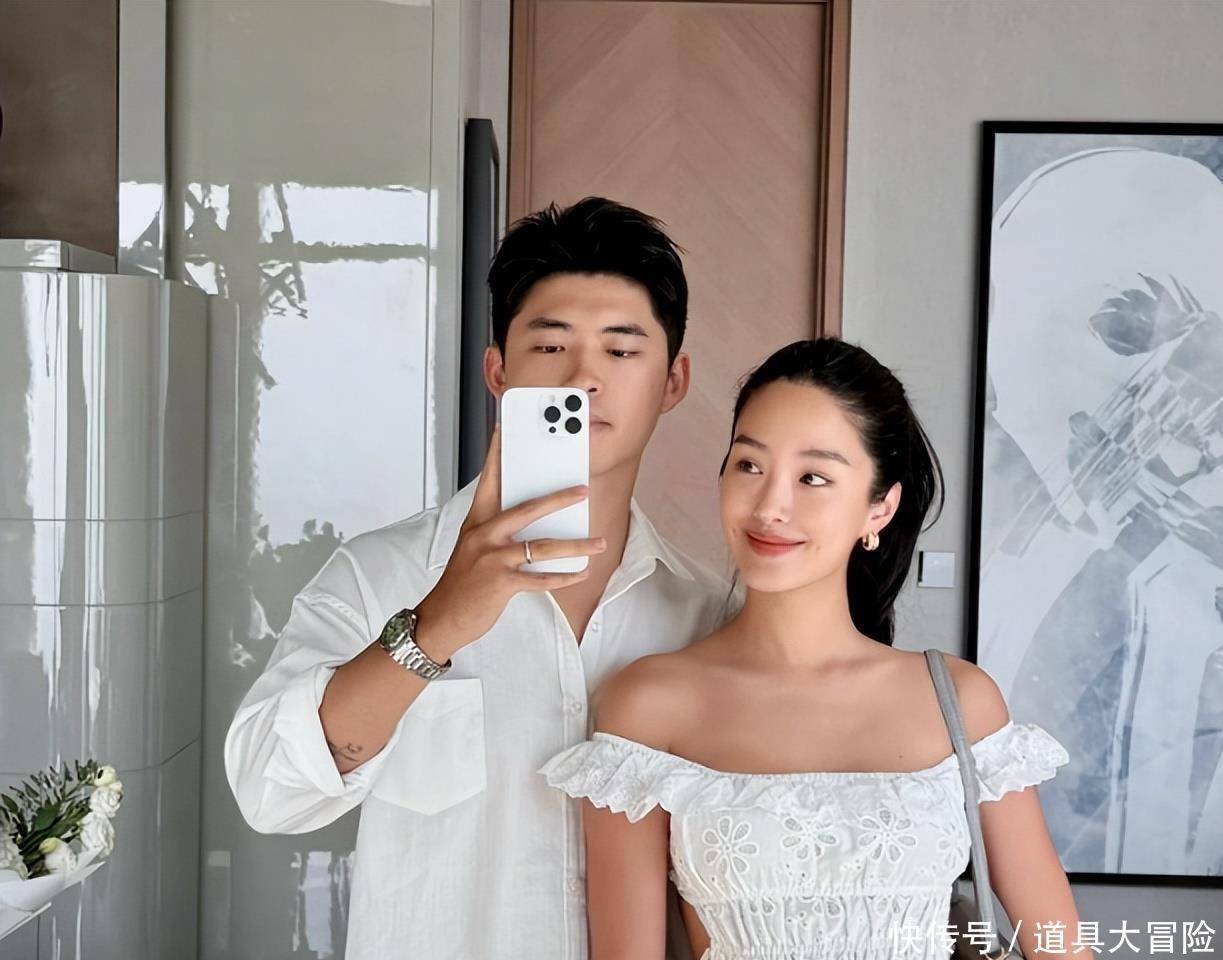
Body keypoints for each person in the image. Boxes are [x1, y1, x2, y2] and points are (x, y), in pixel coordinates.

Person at [224, 197, 733, 960]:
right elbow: (269, 791)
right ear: (498, 370)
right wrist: (435, 627)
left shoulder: (710, 613)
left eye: (621, 351)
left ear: (672, 381)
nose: (584, 378)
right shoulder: (380, 574)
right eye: (550, 346)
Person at [542, 338, 1086, 960]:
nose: (770, 506)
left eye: (814, 477)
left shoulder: (959, 702)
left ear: (880, 507)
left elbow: (1062, 950)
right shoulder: (650, 705)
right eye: (749, 465)